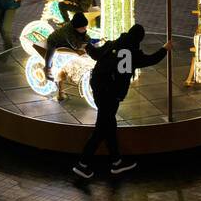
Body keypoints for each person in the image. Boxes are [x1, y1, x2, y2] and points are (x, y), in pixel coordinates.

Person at [73, 24, 171, 179]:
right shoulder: (133, 53)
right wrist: (165, 48)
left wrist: (88, 46)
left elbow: (95, 53)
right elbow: (151, 59)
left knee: (109, 124)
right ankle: (82, 164)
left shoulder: (112, 43)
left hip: (98, 88)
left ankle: (116, 162)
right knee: (101, 128)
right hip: (112, 94)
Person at [42, 11, 91, 88]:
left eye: (85, 27)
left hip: (65, 42)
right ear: (76, 27)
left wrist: (89, 41)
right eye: (83, 27)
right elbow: (75, 46)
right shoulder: (68, 30)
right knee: (50, 54)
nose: (85, 29)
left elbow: (86, 38)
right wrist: (85, 44)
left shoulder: (80, 28)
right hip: (54, 41)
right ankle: (47, 69)